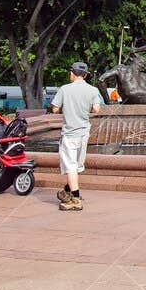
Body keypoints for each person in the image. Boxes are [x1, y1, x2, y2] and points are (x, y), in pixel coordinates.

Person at [50, 61, 102, 212]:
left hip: (69, 134)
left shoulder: (65, 89)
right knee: (77, 165)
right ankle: (67, 191)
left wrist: (65, 108)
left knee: (70, 166)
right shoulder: (93, 90)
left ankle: (76, 199)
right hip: (84, 133)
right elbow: (97, 109)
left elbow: (54, 109)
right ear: (85, 75)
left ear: (72, 73)